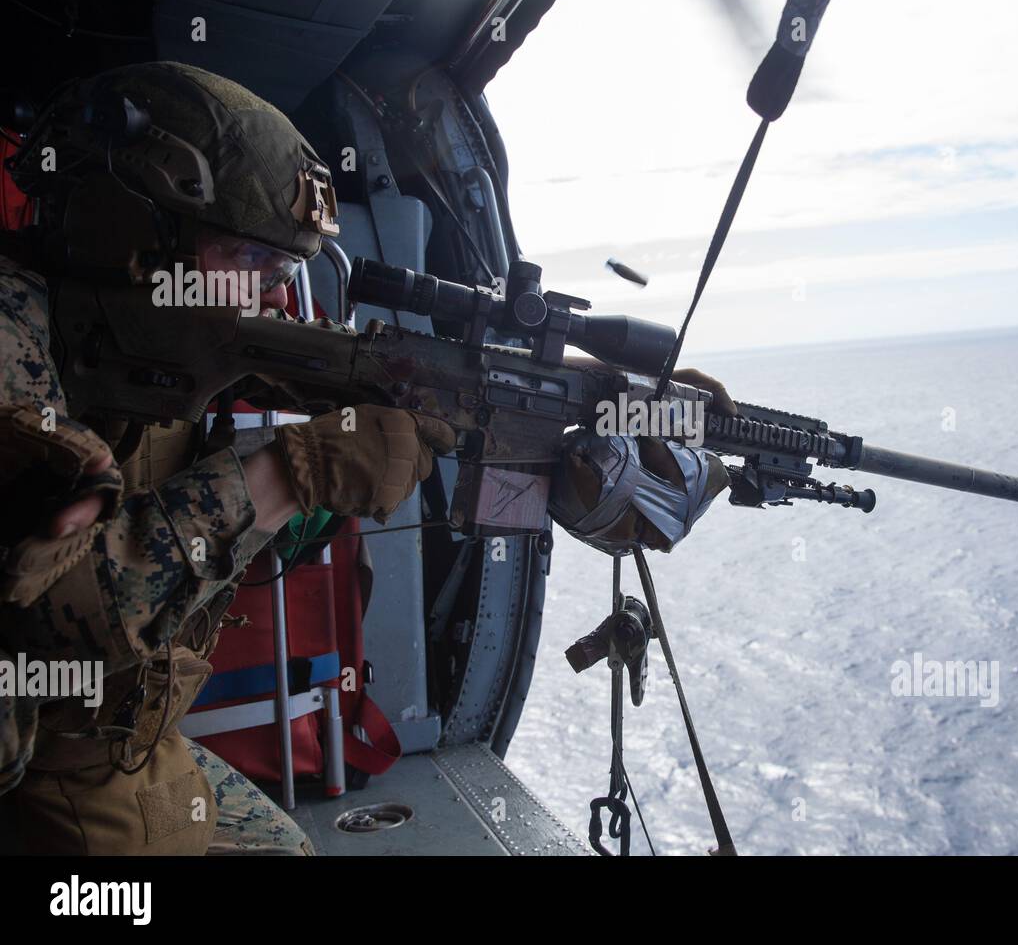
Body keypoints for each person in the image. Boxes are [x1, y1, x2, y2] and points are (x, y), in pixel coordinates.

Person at [0, 61, 732, 854]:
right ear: (130, 233)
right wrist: (289, 473)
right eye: (253, 265)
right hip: (39, 778)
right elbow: (42, 617)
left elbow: (374, 365)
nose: (281, 301)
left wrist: (602, 392)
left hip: (128, 750)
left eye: (288, 272)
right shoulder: (17, 342)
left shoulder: (153, 336)